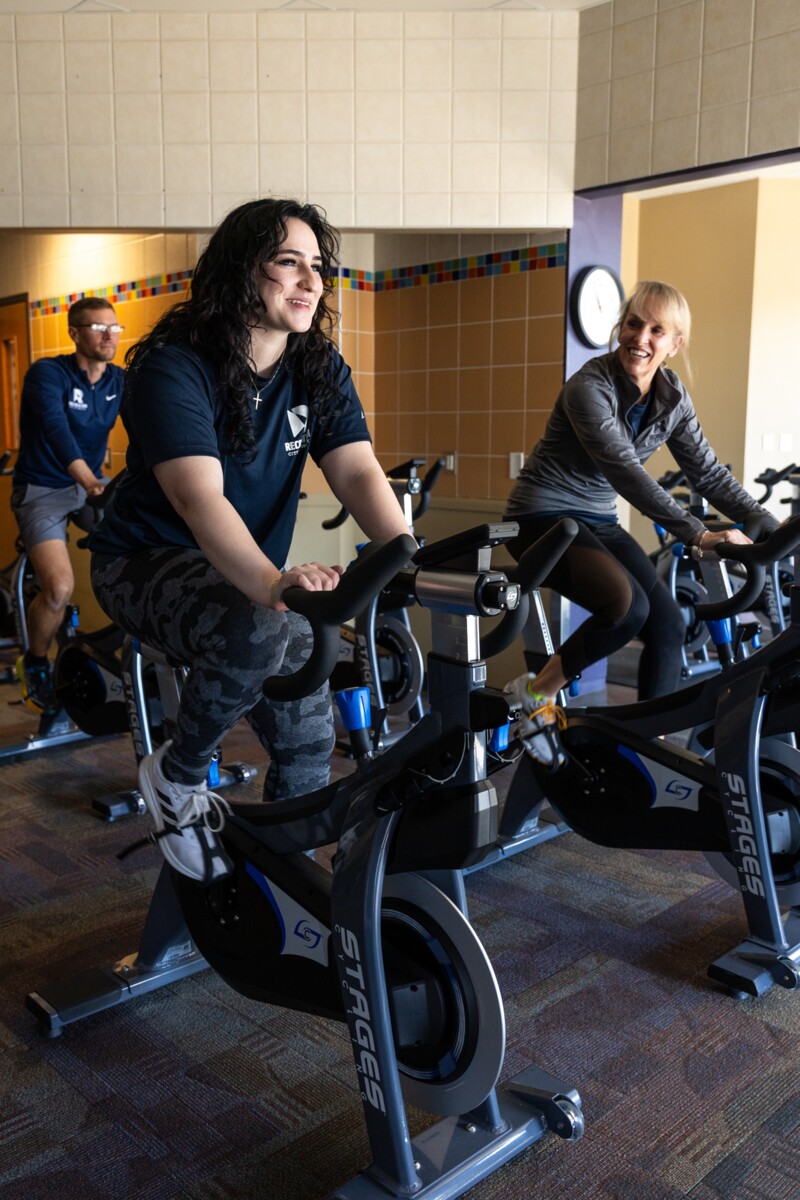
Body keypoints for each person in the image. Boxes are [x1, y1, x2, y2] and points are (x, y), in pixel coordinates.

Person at [88, 198, 412, 885]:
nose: (310, 281)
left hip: (247, 577)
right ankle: (175, 776)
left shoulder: (317, 368)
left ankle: (285, 877)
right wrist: (271, 584)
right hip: (141, 562)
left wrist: (404, 551)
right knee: (263, 627)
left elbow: (355, 467)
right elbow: (196, 497)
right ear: (241, 273)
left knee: (309, 725)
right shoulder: (175, 366)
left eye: (317, 267)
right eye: (287, 263)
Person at [502, 279, 774, 764]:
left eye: (656, 330)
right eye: (633, 323)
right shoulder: (589, 386)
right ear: (620, 326)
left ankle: (650, 749)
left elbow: (707, 471)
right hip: (541, 516)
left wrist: (768, 525)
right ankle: (534, 693)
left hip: (596, 520)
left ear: (675, 344)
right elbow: (624, 470)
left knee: (669, 624)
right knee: (626, 610)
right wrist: (698, 532)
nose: (640, 338)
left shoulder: (672, 398)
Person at [11, 298, 124, 714]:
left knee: (145, 545)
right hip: (43, 488)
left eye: (115, 327)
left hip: (90, 487)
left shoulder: (119, 381)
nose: (109, 335)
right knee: (58, 588)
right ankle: (36, 662)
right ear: (75, 333)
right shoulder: (48, 374)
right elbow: (57, 431)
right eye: (98, 327)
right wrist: (90, 479)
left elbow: (150, 426)